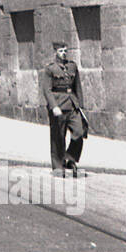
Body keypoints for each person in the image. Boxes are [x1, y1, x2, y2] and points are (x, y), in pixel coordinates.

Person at [40, 41, 87, 174]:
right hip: (58, 106)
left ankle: (70, 157)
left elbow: (77, 87)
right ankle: (58, 167)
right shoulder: (50, 68)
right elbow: (47, 90)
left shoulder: (72, 66)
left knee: (79, 132)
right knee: (58, 136)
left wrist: (80, 106)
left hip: (72, 105)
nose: (64, 53)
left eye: (65, 50)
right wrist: (53, 106)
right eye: (61, 51)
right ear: (55, 52)